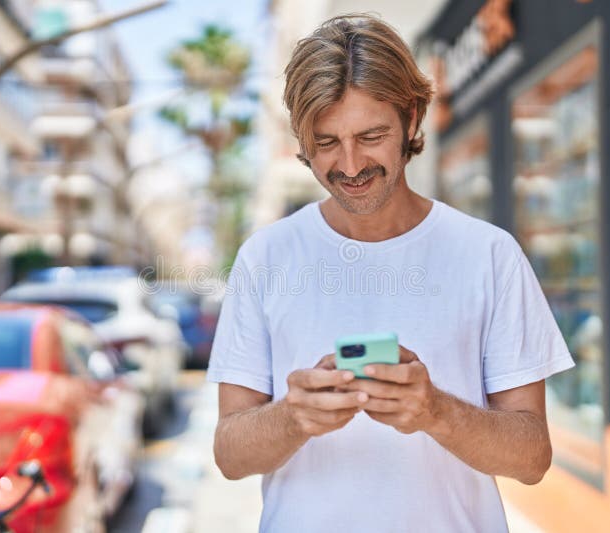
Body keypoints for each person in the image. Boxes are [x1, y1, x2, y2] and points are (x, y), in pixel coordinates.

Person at [207, 14, 574, 533]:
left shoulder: (490, 255)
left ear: (412, 119)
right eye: (326, 142)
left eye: (371, 135)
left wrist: (436, 412)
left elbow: (532, 458)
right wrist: (292, 416)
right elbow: (229, 455)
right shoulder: (264, 258)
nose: (350, 164)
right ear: (302, 141)